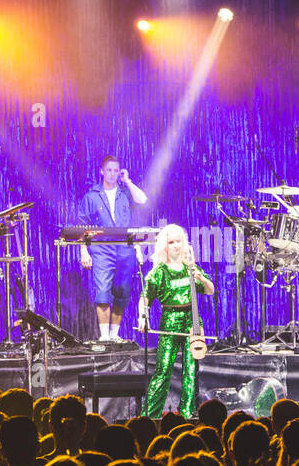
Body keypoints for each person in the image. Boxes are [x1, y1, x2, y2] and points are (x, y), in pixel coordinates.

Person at [140, 225, 214, 419]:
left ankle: (188, 414)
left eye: (178, 241)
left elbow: (210, 290)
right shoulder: (159, 272)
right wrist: (143, 317)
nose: (175, 246)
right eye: (171, 242)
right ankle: (150, 416)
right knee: (163, 369)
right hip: (170, 320)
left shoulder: (191, 268)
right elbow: (145, 298)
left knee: (191, 370)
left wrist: (202, 280)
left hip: (192, 321)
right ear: (164, 246)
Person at [79, 156, 148, 342]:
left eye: (116, 170)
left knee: (122, 291)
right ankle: (104, 337)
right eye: (108, 170)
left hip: (124, 247)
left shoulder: (124, 193)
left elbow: (142, 200)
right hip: (101, 247)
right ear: (102, 171)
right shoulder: (91, 196)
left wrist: (128, 181)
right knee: (103, 291)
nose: (112, 173)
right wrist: (84, 251)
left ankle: (114, 335)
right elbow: (82, 227)